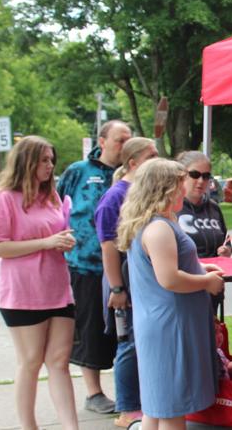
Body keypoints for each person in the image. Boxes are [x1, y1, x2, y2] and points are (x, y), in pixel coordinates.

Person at [117, 158, 224, 429]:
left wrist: (199, 267)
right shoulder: (158, 228)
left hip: (160, 323)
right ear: (163, 188)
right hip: (170, 327)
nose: (183, 190)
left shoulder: (155, 222)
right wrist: (206, 282)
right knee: (173, 410)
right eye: (179, 184)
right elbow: (169, 279)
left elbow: (169, 266)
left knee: (156, 407)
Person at [0, 136, 79, 430]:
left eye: (51, 159)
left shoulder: (53, 196)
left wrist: (64, 240)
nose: (50, 165)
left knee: (59, 360)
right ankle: (28, 426)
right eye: (44, 160)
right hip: (23, 291)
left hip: (58, 287)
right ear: (27, 162)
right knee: (31, 361)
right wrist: (46, 242)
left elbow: (56, 234)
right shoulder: (6, 198)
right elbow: (0, 247)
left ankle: (72, 427)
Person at [57, 120, 131, 414]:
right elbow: (57, 204)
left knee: (121, 331)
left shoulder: (128, 175)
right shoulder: (79, 171)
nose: (123, 145)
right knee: (90, 329)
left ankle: (125, 390)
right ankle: (93, 392)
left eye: (128, 140)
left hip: (124, 265)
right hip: (86, 266)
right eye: (119, 139)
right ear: (102, 140)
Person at [94, 137, 157, 427]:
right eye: (150, 155)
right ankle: (128, 408)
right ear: (133, 163)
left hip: (144, 280)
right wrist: (117, 288)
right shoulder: (115, 197)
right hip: (124, 283)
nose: (157, 159)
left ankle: (145, 401)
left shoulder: (145, 192)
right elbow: (108, 246)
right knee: (128, 342)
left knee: (142, 340)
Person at [175, 151, 232, 259]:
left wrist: (227, 250)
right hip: (186, 273)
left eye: (206, 176)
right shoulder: (170, 208)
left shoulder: (213, 208)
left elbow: (226, 240)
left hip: (216, 272)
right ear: (181, 175)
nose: (201, 181)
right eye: (195, 175)